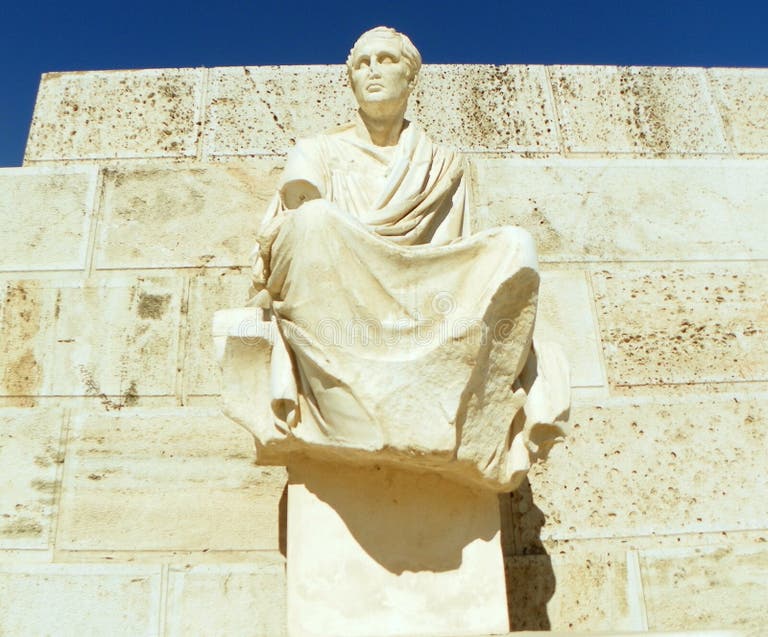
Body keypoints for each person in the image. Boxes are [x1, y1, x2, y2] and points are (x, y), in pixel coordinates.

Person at [243, 27, 569, 491]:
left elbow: (448, 252)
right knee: (313, 219)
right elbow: (290, 235)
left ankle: (452, 391)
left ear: (412, 77)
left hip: (422, 293)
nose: (373, 71)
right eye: (362, 64)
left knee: (515, 244)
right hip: (339, 296)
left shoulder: (442, 164)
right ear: (351, 81)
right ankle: (346, 398)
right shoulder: (315, 152)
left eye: (386, 60)